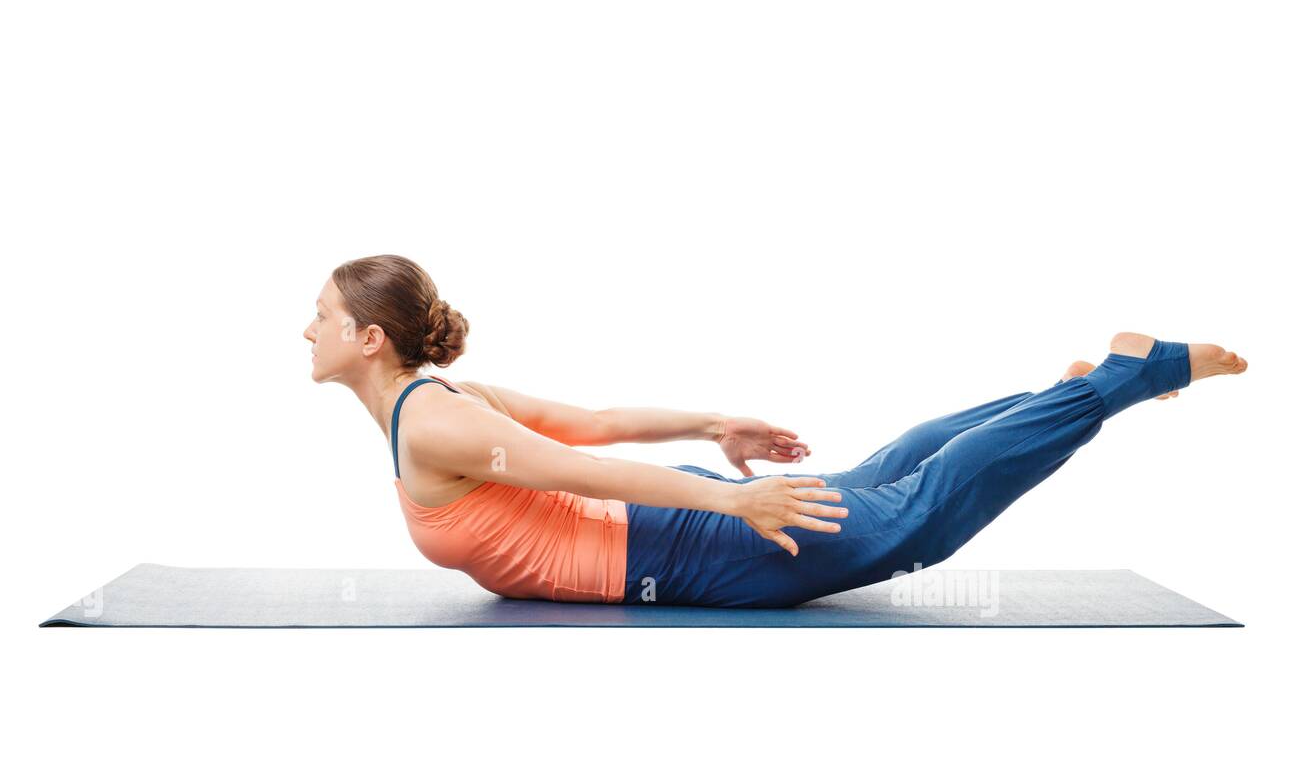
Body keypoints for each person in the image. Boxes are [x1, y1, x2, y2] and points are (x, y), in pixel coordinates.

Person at [304, 253, 1248, 608]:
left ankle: (1134, 374)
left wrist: (736, 493)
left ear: (369, 337)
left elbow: (582, 467)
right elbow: (590, 426)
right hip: (673, 527)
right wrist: (716, 428)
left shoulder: (429, 421)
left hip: (673, 547)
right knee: (879, 484)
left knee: (912, 520)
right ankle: (1063, 392)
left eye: (322, 316)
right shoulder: (433, 398)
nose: (308, 330)